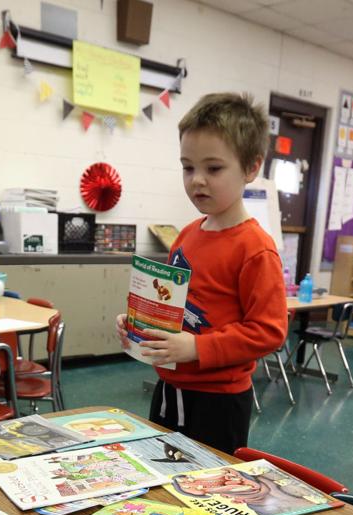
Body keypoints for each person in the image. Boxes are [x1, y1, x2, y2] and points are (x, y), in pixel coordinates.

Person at [116, 92, 287, 453]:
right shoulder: (188, 234)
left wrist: (197, 347)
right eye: (187, 167)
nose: (197, 180)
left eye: (213, 168)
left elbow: (269, 331)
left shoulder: (255, 247)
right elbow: (171, 303)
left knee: (208, 493)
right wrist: (139, 325)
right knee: (163, 481)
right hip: (169, 389)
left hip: (218, 402)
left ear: (251, 167)